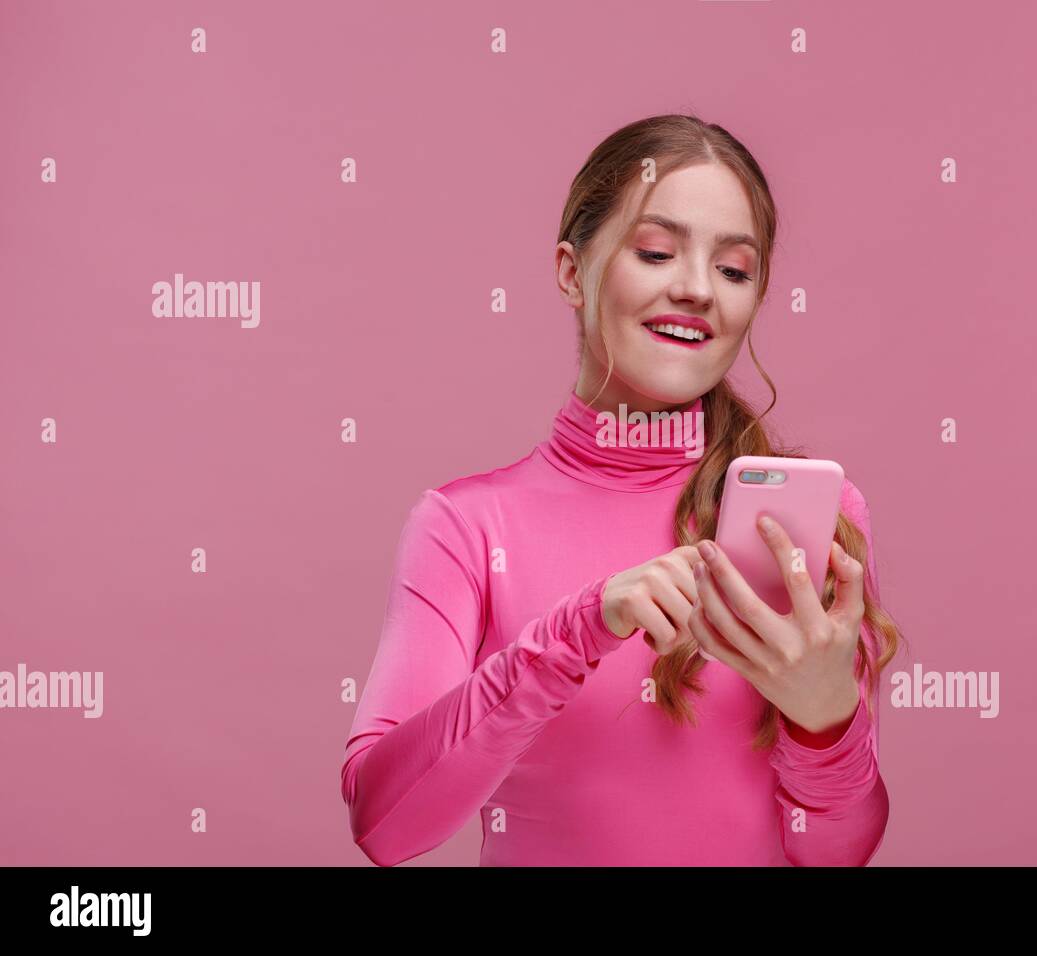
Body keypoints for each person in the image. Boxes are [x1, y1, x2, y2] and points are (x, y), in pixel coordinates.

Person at [340, 114, 904, 866]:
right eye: (656, 251)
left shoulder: (810, 522)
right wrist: (575, 633)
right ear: (573, 273)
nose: (698, 289)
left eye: (735, 270)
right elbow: (385, 824)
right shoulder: (465, 527)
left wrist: (826, 719)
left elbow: (838, 855)